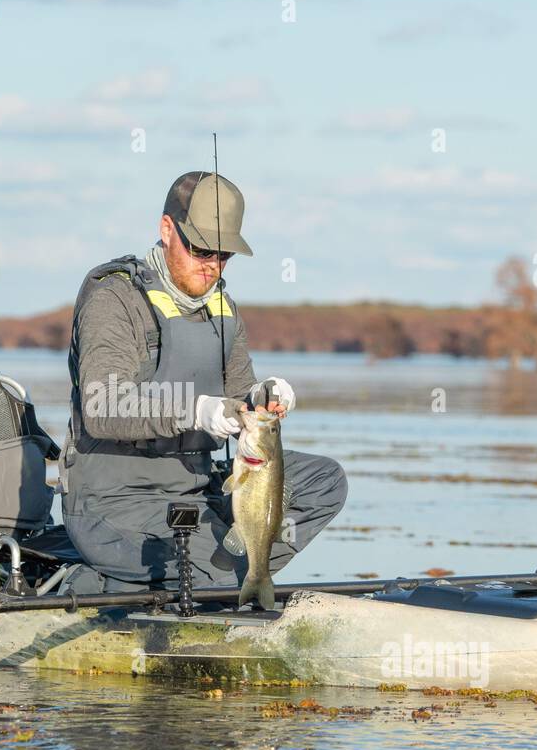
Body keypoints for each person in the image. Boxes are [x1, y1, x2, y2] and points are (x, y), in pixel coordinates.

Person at [61, 170, 347, 599]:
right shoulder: (114, 299)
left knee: (326, 481)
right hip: (111, 503)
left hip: (191, 489)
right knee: (212, 572)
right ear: (166, 230)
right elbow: (102, 407)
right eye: (200, 249)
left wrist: (263, 397)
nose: (211, 265)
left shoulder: (221, 308)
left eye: (223, 254)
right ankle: (87, 586)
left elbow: (241, 397)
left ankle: (242, 572)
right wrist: (196, 411)